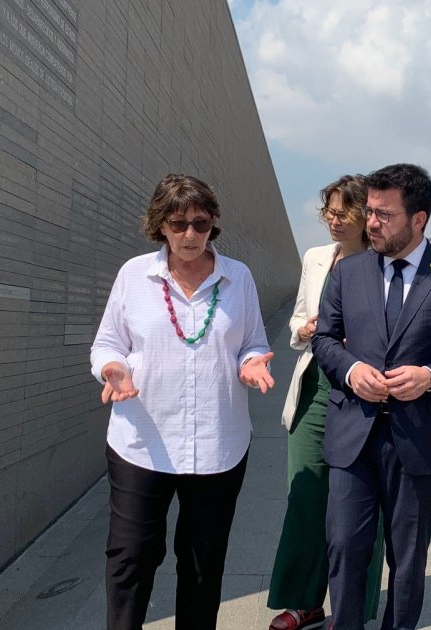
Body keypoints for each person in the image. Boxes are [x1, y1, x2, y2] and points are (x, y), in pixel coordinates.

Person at [312, 163, 431, 630]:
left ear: (419, 219)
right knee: (345, 549)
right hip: (353, 431)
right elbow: (325, 340)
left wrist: (430, 376)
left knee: (408, 559)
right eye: (370, 212)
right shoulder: (348, 271)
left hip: (419, 438)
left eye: (384, 214)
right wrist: (352, 371)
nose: (371, 222)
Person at [90, 174, 276, 630]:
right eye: (178, 223)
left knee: (201, 563)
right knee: (131, 557)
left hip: (218, 445)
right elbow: (107, 343)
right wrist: (112, 369)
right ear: (160, 225)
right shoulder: (134, 276)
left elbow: (252, 341)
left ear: (213, 224)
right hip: (142, 442)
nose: (190, 234)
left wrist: (252, 363)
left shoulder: (239, 278)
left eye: (201, 223)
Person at [267, 175, 385, 630]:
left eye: (344, 213)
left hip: (361, 394)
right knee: (305, 495)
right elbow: (297, 322)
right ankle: (303, 601)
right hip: (315, 386)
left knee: (358, 505)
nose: (334, 221)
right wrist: (305, 330)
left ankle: (351, 609)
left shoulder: (382, 264)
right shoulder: (316, 258)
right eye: (329, 212)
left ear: (366, 216)